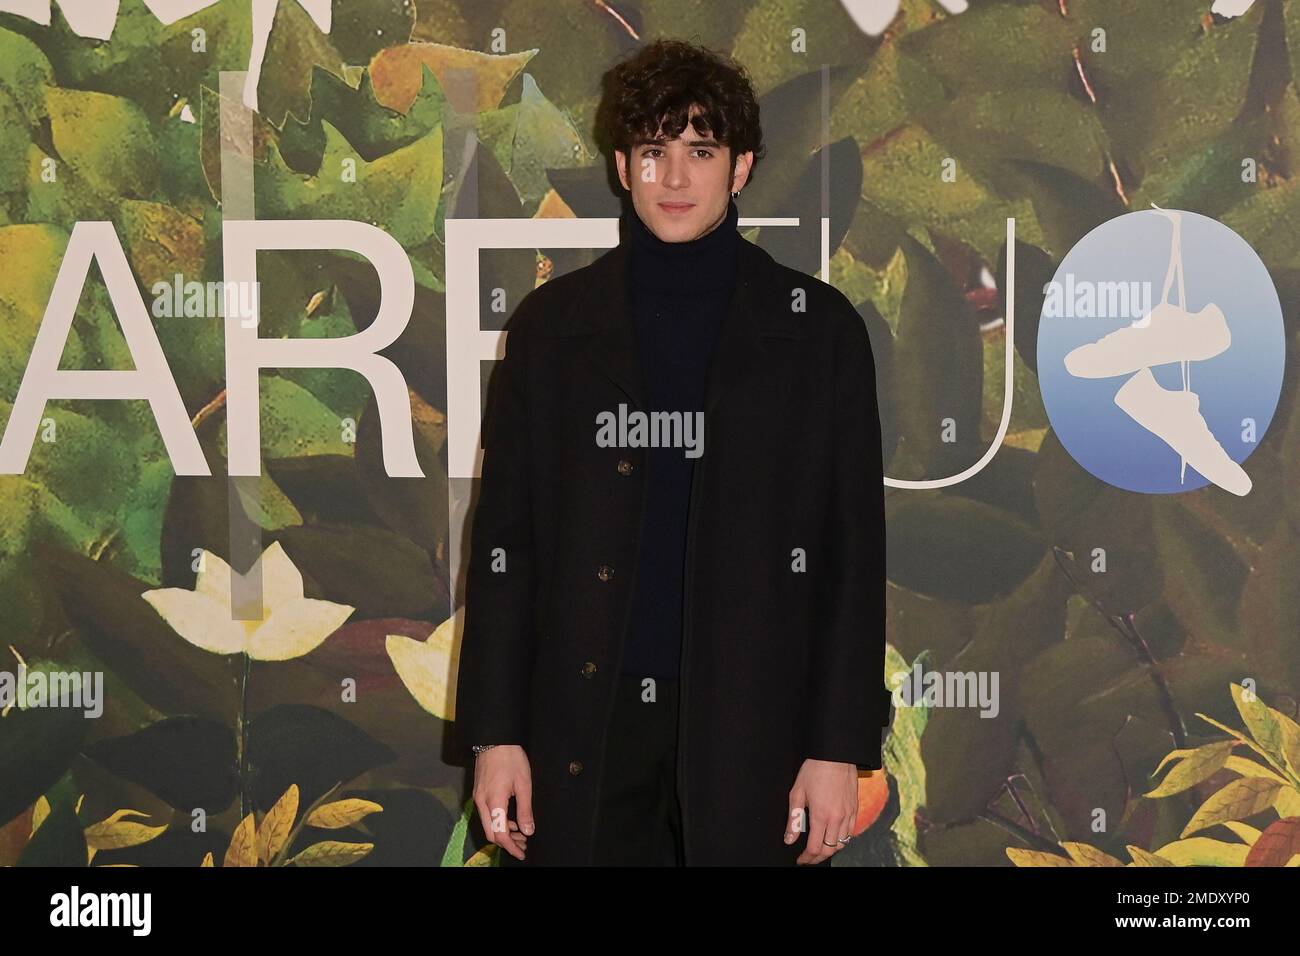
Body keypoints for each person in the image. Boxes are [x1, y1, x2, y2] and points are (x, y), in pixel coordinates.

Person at [454, 38, 891, 866]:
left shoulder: (818, 331)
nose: (677, 178)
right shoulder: (553, 330)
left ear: (742, 167)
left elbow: (850, 553)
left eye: (701, 151)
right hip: (585, 726)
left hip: (756, 730)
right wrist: (497, 734)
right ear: (623, 167)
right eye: (654, 151)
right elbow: (507, 542)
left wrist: (838, 746)